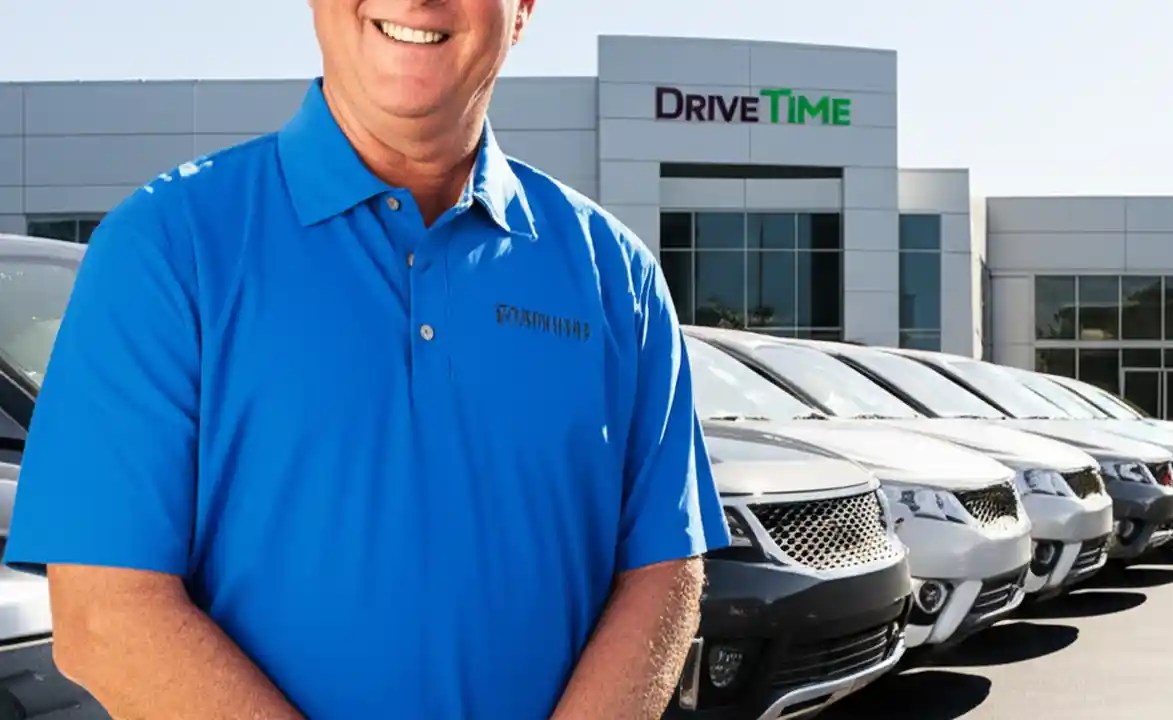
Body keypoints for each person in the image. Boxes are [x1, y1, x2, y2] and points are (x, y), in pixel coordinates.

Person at [3, 1, 730, 718]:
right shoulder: (167, 247)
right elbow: (106, 611)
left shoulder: (616, 276)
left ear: (522, 10)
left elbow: (664, 565)